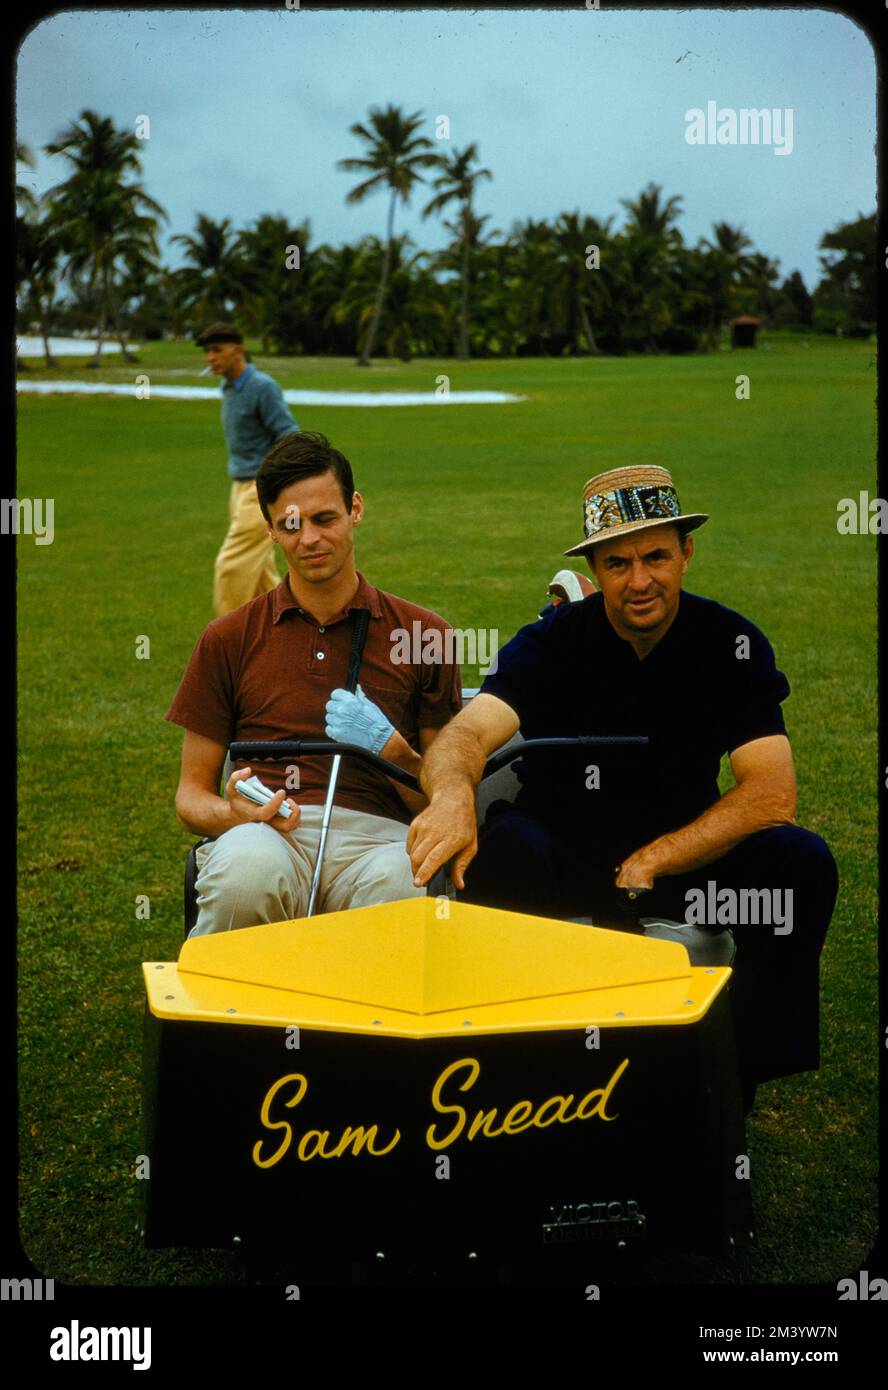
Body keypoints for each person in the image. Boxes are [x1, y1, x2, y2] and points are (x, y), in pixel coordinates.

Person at [407, 464, 838, 1103]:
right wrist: (450, 799)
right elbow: (465, 737)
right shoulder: (552, 642)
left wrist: (658, 857)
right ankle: (519, 1070)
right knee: (500, 852)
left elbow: (770, 793)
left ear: (686, 552)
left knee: (799, 863)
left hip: (683, 864)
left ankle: (732, 1072)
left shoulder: (732, 643)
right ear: (597, 569)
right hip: (563, 852)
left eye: (656, 557)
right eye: (616, 564)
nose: (640, 581)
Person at [168, 430, 462, 934]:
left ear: (356, 510)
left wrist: (390, 751)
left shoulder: (425, 634)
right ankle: (230, 1012)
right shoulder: (226, 638)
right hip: (267, 832)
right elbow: (191, 797)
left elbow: (444, 802)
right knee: (245, 876)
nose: (310, 539)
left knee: (403, 886)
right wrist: (239, 817)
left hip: (382, 838)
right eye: (291, 523)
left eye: (326, 518)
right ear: (270, 529)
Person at [196, 321, 300, 616]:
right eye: (207, 352)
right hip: (238, 488)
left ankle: (227, 643)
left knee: (231, 566)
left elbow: (288, 433)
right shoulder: (227, 387)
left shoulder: (262, 387)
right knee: (261, 572)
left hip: (261, 490)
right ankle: (287, 628)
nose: (210, 357)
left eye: (216, 350)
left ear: (238, 350)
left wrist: (276, 481)